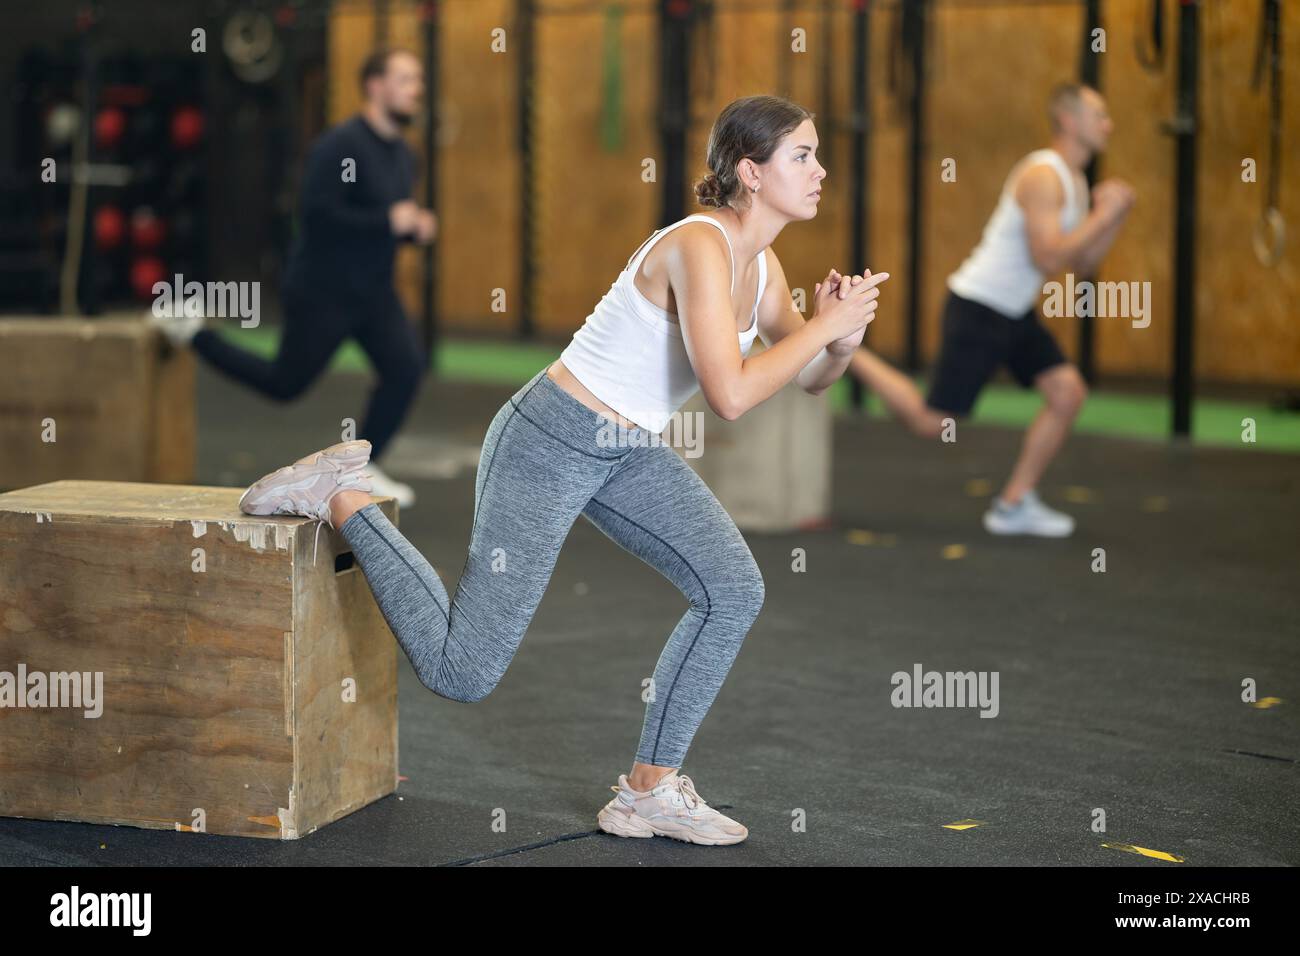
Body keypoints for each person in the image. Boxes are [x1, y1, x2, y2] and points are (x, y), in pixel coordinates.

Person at [234, 95, 888, 845]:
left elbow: (808, 381)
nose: (821, 170)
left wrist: (835, 341)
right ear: (751, 171)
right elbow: (732, 395)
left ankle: (648, 791)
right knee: (461, 672)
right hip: (548, 438)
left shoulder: (763, 264)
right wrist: (826, 331)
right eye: (803, 156)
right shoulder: (700, 247)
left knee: (732, 588)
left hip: (626, 446)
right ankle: (341, 495)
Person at [847, 82, 1135, 536]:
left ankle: (1013, 503)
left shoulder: (1075, 182)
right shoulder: (1042, 175)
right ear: (1068, 120)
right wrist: (1103, 216)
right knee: (932, 423)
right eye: (1098, 115)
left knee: (1067, 393)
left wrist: (1111, 218)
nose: (1108, 124)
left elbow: (1080, 264)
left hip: (1013, 312)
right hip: (979, 307)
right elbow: (1048, 257)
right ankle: (843, 351)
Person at [152, 48, 437, 508]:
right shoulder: (340, 146)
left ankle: (359, 470)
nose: (415, 89)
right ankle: (194, 333)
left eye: (418, 80)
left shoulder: (405, 156)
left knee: (404, 370)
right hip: (324, 289)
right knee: (284, 384)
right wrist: (388, 219)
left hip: (373, 293)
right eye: (405, 79)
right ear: (375, 85)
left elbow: (380, 226)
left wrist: (410, 229)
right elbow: (318, 217)